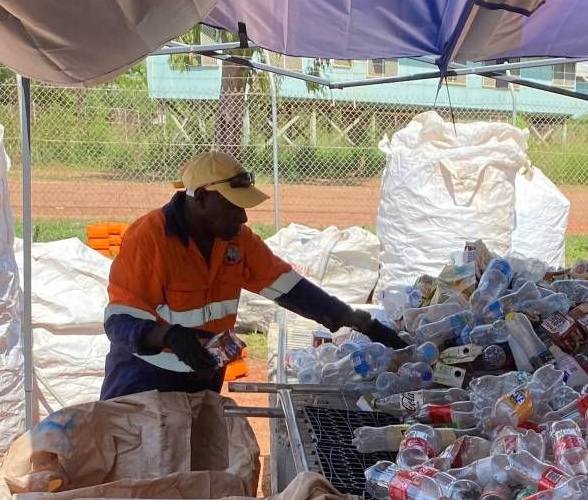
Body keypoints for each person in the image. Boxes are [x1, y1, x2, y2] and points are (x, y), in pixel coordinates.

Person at [99, 150, 403, 400]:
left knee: (193, 470)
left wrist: (356, 319)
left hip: (203, 377)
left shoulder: (237, 241)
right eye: (234, 207)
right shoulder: (149, 239)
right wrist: (169, 336)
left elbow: (290, 288)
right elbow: (119, 321)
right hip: (143, 382)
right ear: (202, 198)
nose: (243, 217)